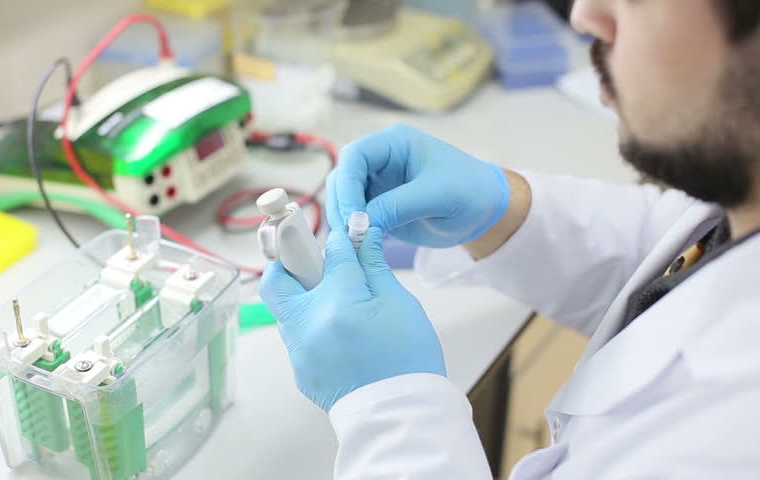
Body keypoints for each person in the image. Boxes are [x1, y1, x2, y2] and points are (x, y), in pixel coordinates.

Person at [260, 0, 760, 477]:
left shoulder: (727, 439)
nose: (585, 16)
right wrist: (505, 210)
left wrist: (389, 408)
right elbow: (682, 253)